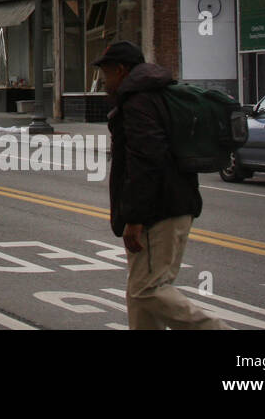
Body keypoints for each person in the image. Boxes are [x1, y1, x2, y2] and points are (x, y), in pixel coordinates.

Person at [97, 40, 226, 330]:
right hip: (172, 206)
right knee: (140, 293)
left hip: (159, 213)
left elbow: (146, 161)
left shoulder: (138, 101)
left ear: (121, 70)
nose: (104, 82)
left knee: (148, 290)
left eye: (106, 74)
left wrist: (135, 218)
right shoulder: (155, 95)